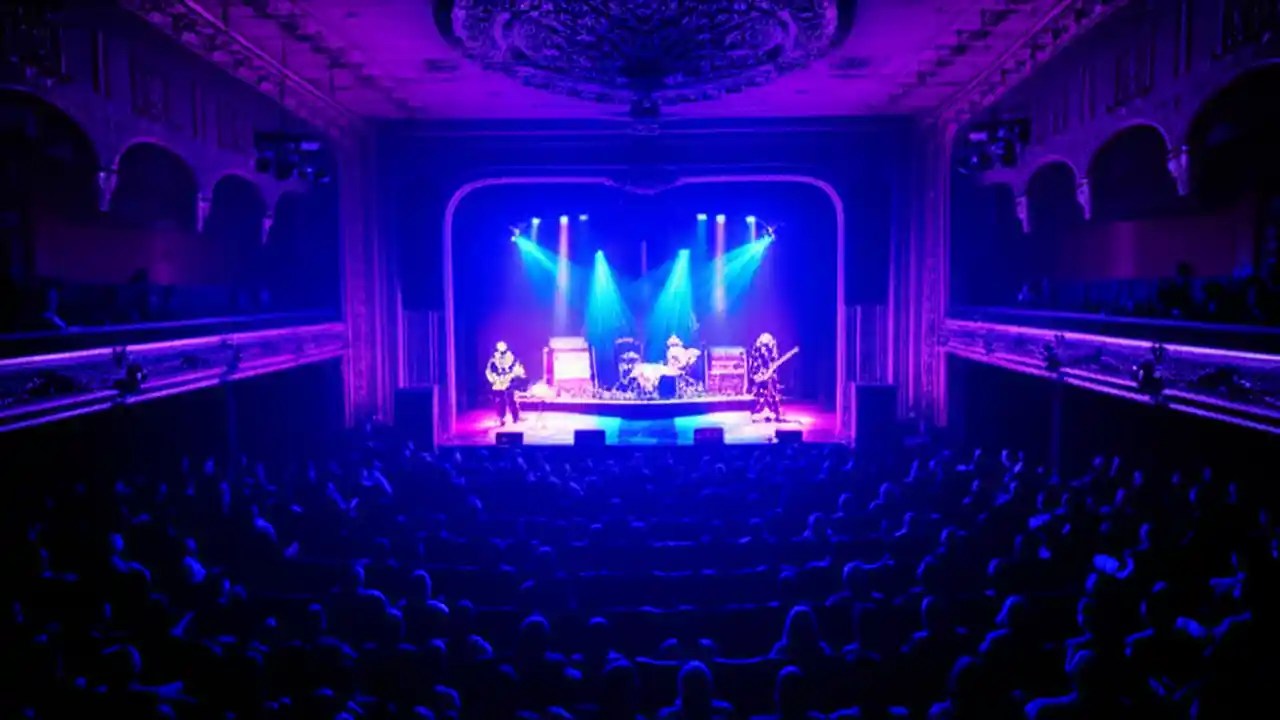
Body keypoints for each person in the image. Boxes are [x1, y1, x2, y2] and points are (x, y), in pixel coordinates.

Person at [485, 341, 524, 426]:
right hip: (498, 383)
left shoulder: (511, 357)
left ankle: (515, 417)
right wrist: (494, 380)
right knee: (500, 401)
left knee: (511, 400)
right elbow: (489, 371)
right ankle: (501, 418)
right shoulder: (494, 358)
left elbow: (517, 368)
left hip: (508, 381)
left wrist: (513, 376)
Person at [749, 332, 783, 421]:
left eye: (766, 348)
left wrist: (769, 373)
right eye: (763, 347)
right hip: (760, 378)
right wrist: (759, 376)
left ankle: (773, 411)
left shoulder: (771, 355)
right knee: (760, 392)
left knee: (771, 388)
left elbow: (773, 365)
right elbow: (754, 370)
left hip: (769, 378)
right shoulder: (757, 357)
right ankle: (760, 410)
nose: (764, 350)